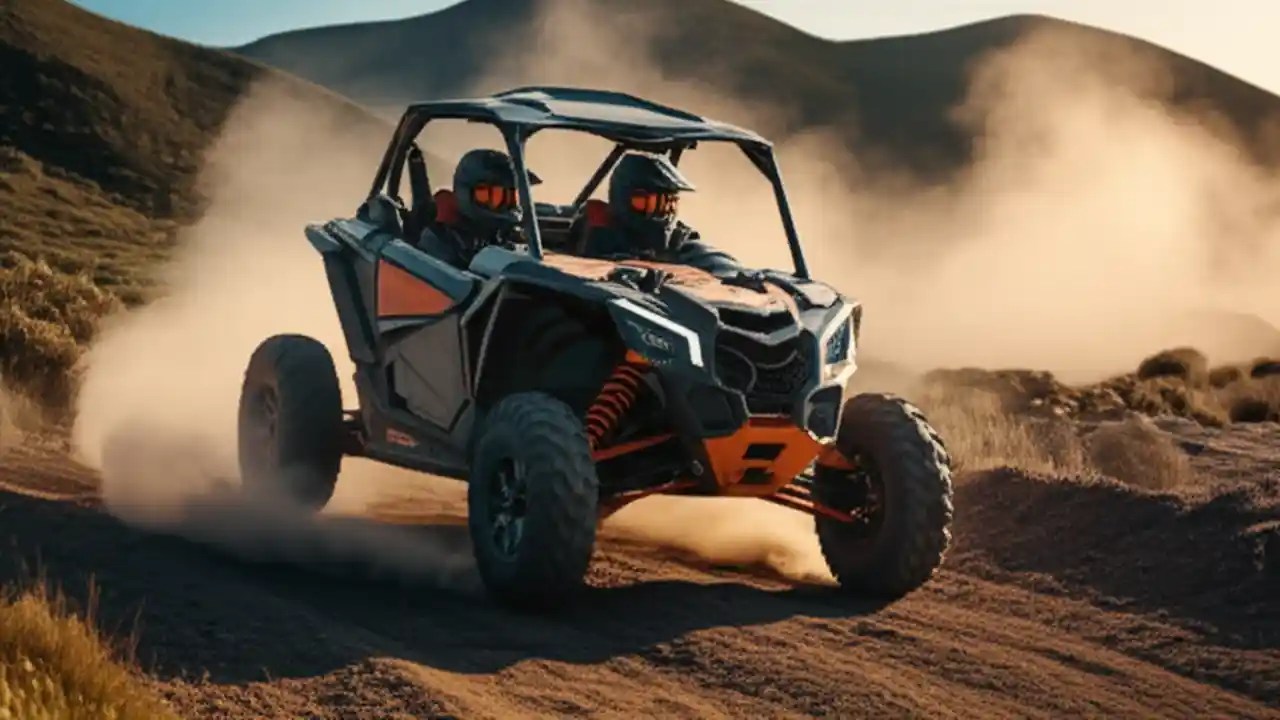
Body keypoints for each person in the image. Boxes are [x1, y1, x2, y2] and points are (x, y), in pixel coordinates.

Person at [582, 152, 742, 275]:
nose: (664, 213)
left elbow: (718, 263)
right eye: (652, 203)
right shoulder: (592, 235)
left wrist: (753, 277)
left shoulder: (678, 244)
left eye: (669, 203)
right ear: (623, 198)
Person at [420, 148, 541, 268]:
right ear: (466, 194)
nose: (505, 206)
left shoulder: (504, 236)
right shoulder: (440, 241)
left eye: (511, 197)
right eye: (495, 197)